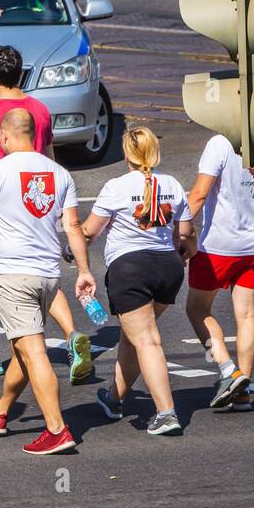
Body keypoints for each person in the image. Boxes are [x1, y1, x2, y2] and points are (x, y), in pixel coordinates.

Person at [0, 108, 94, 456]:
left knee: (33, 350)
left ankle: (57, 429)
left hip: (14, 274)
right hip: (48, 275)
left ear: (4, 136)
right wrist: (83, 271)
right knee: (24, 348)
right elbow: (74, 227)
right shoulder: (60, 173)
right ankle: (0, 410)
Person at [0, 44, 93, 383]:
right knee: (41, 268)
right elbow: (51, 156)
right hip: (41, 197)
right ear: (21, 73)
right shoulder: (39, 109)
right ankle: (71, 336)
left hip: (6, 203)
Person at [81, 127, 193, 435]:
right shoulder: (172, 184)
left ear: (127, 154)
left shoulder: (116, 187)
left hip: (130, 269)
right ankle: (114, 398)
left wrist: (69, 251)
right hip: (168, 269)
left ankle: (166, 413)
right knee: (134, 336)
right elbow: (185, 234)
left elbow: (90, 231)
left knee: (146, 339)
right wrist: (186, 251)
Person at [185, 132, 254, 412]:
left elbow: (199, 193)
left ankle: (228, 370)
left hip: (218, 245)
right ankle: (242, 393)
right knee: (246, 314)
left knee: (197, 309)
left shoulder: (220, 143)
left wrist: (178, 231)